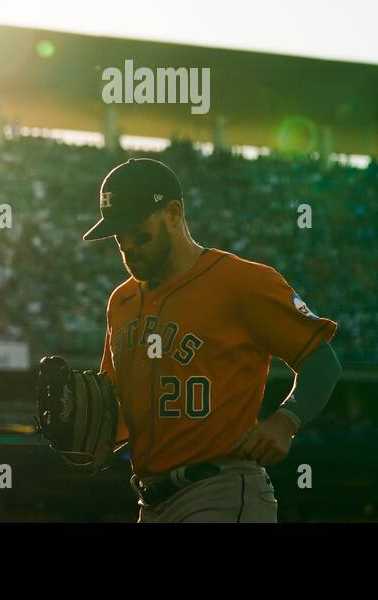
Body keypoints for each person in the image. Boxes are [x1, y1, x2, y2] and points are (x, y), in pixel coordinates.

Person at [84, 157, 342, 522]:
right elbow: (119, 410)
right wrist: (88, 433)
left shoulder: (242, 283)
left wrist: (287, 420)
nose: (129, 246)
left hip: (218, 489)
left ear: (173, 213)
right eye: (119, 238)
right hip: (150, 503)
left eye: (139, 232)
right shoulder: (121, 302)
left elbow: (321, 359)